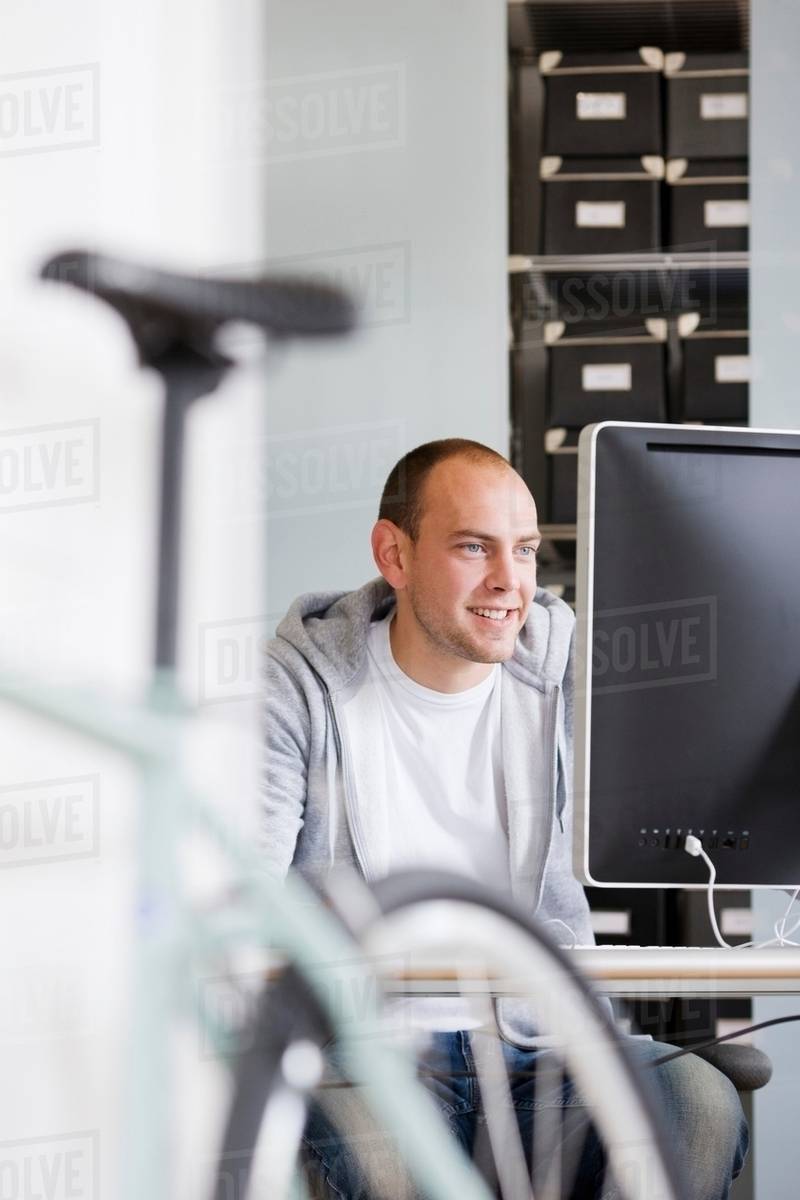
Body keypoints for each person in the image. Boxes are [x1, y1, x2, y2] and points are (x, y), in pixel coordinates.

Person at [263, 438, 748, 1199]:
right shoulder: (298, 685)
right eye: (472, 548)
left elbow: (702, 793)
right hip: (368, 1058)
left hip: (547, 1052)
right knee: (393, 1170)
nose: (509, 583)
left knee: (698, 1103)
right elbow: (247, 886)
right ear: (394, 553)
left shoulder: (566, 668)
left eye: (523, 551)